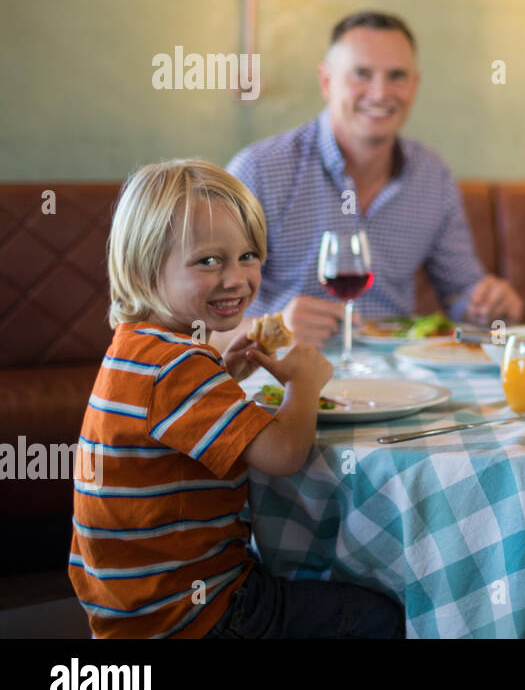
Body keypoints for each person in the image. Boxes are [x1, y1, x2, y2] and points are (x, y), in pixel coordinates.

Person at [69, 160, 404, 638]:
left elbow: (170, 426)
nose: (237, 278)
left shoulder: (137, 348)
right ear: (144, 267)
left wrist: (225, 372)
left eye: (249, 255)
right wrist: (304, 384)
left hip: (131, 605)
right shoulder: (178, 367)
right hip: (198, 615)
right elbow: (284, 455)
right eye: (208, 261)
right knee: (382, 618)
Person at [217, 11, 522, 350]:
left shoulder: (432, 175)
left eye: (397, 76)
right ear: (327, 81)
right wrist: (270, 329)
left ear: (414, 86)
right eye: (361, 74)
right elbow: (196, 321)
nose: (380, 93)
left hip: (399, 379)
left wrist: (489, 306)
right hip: (280, 371)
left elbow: (461, 295)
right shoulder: (260, 170)